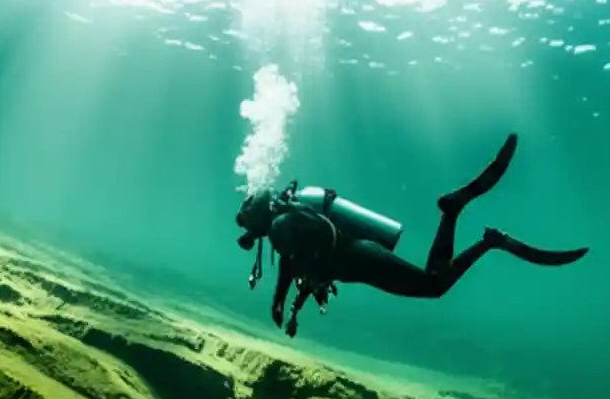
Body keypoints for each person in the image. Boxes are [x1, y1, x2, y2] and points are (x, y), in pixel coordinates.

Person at [235, 133, 589, 337]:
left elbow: (306, 254)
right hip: (359, 259)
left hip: (360, 258)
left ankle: (463, 220)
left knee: (433, 285)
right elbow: (295, 262)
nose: (246, 226)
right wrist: (282, 302)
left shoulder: (280, 227)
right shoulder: (283, 226)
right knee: (432, 283)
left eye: (247, 216)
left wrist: (287, 298)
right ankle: (472, 228)